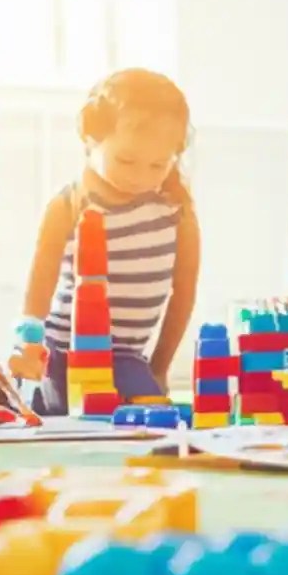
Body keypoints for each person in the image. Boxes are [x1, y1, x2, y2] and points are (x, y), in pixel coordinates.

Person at [20, 69, 200, 414]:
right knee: (67, 422)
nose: (140, 176)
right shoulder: (68, 205)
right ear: (90, 138)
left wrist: (159, 367)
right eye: (126, 160)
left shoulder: (177, 214)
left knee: (147, 419)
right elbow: (38, 291)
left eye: (158, 165)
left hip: (127, 358)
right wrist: (27, 346)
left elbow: (183, 295)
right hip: (63, 354)